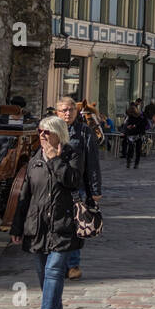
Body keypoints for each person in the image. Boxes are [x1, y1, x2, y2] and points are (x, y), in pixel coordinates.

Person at [10, 115, 82, 309]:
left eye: (46, 132)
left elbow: (72, 181)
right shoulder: (35, 158)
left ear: (58, 133)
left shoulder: (72, 154)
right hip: (38, 225)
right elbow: (25, 195)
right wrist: (17, 226)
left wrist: (55, 159)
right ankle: (55, 308)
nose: (41, 135)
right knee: (43, 273)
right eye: (40, 131)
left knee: (54, 271)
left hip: (63, 224)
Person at [55, 98, 101, 282]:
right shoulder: (51, 130)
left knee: (76, 226)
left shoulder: (84, 132)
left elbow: (93, 163)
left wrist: (95, 190)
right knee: (57, 225)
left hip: (77, 186)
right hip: (55, 185)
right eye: (64, 110)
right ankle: (57, 262)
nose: (68, 113)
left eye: (71, 110)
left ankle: (73, 265)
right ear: (57, 112)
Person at [122, 104, 146, 169]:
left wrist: (136, 126)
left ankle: (136, 163)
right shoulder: (130, 117)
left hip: (138, 134)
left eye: (132, 113)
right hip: (131, 134)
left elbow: (143, 126)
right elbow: (125, 125)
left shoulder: (141, 117)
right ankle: (129, 161)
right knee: (130, 148)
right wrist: (128, 127)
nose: (131, 115)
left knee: (138, 150)